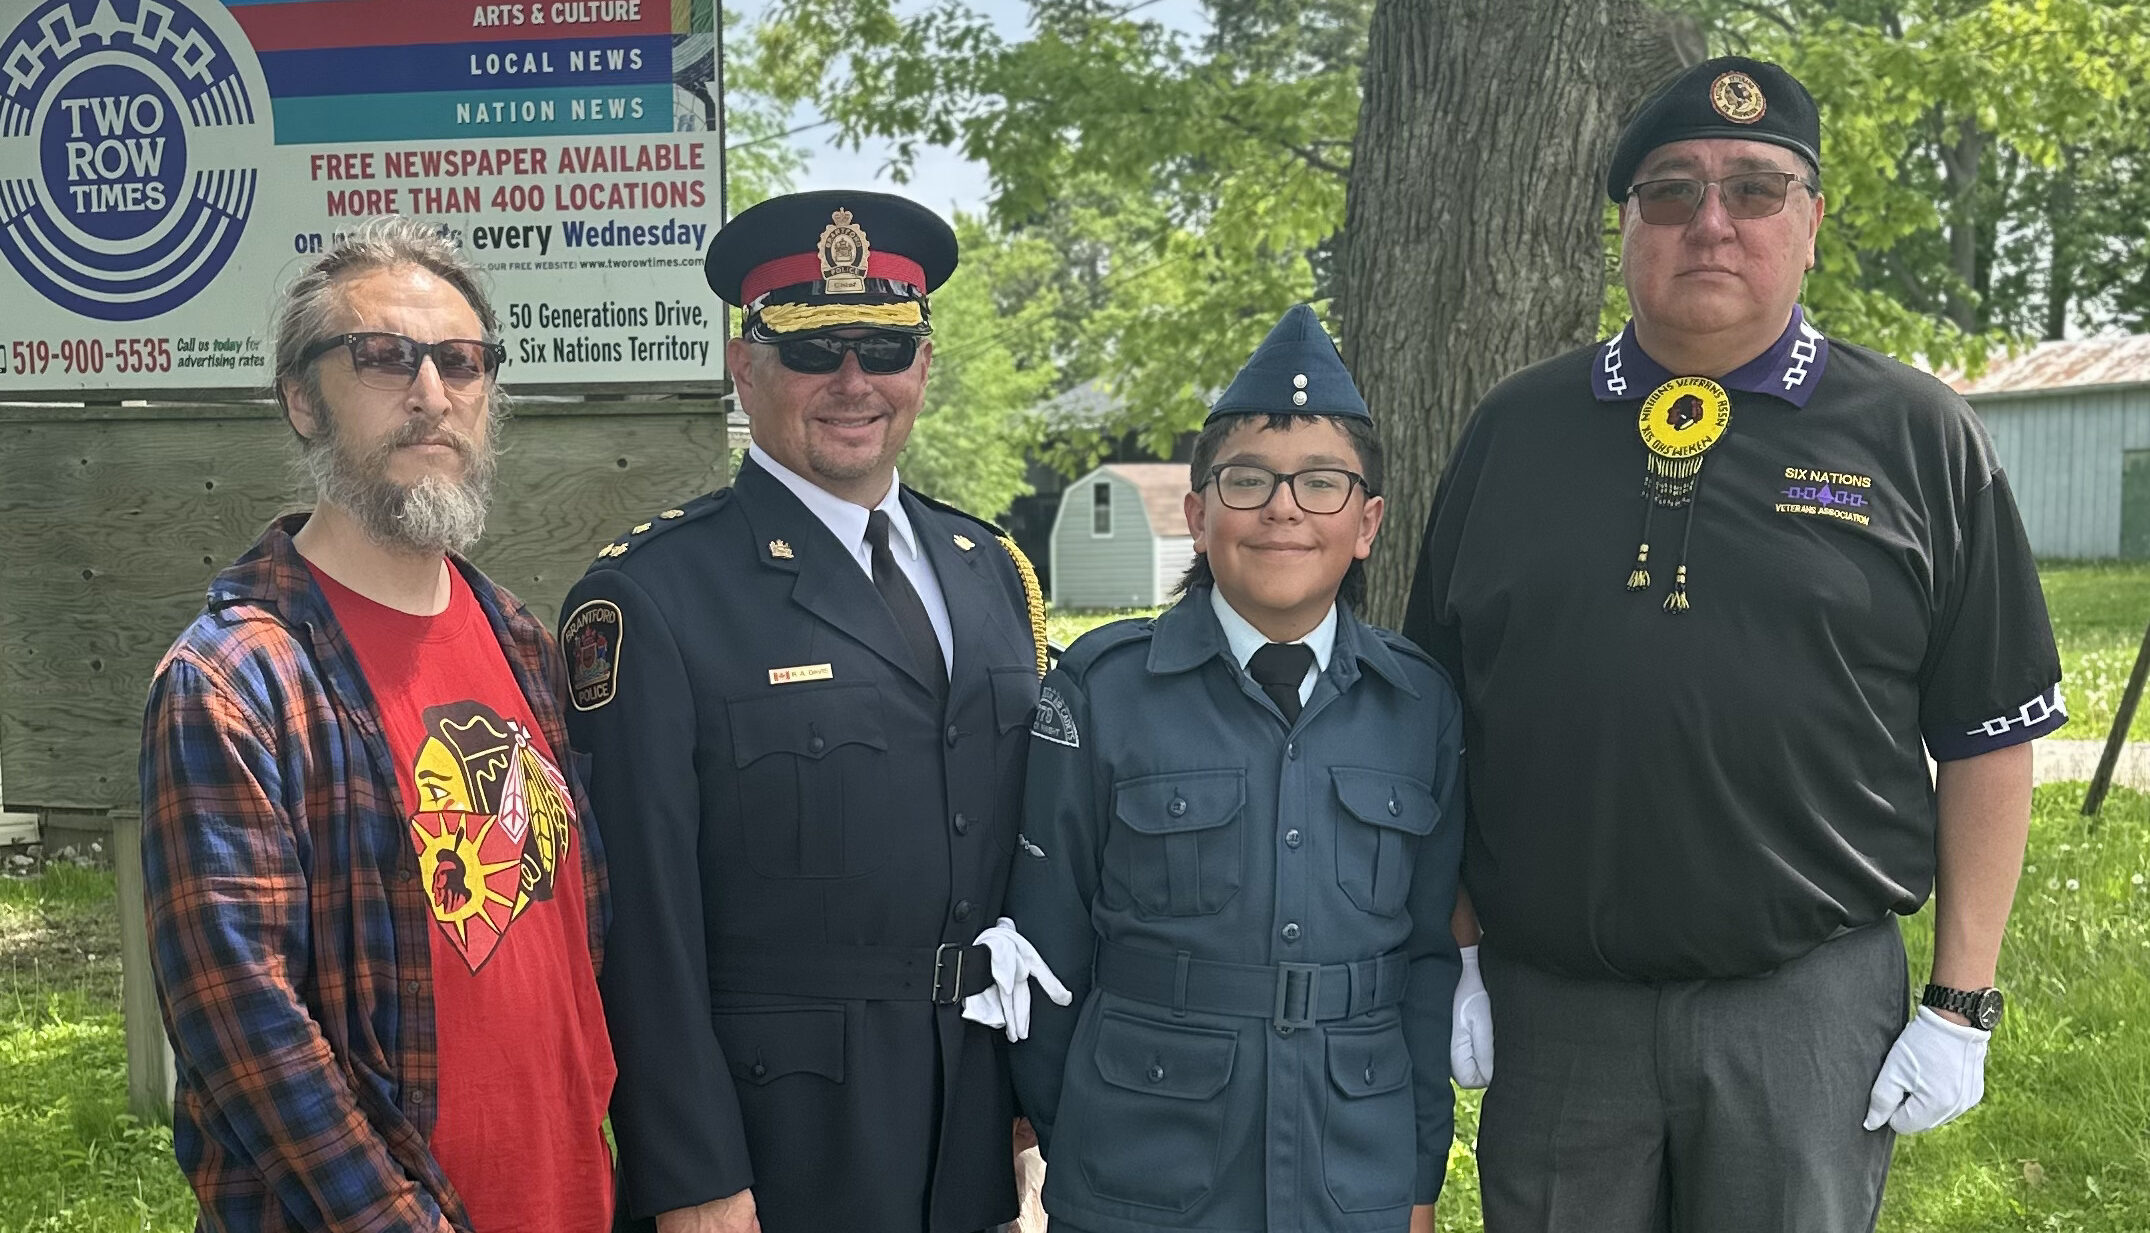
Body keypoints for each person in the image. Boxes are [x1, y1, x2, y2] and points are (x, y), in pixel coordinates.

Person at [1405, 56, 2065, 1232]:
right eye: (1669, 191)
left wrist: (1959, 1001)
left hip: (1802, 1010)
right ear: (1624, 229)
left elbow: (1985, 734)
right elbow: (1434, 715)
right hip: (1557, 1008)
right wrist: (1453, 947)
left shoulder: (1918, 436)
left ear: (1808, 224)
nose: (1709, 221)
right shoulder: (1513, 430)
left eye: (1754, 189)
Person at [562, 189, 1058, 1233]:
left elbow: (1022, 858)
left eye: (881, 350)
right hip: (777, 1138)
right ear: (743, 367)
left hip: (969, 1116)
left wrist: (1032, 1101)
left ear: (922, 365)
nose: (851, 383)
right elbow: (638, 923)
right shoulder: (653, 595)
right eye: (811, 350)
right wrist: (690, 1174)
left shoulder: (991, 572)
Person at [140, 215, 616, 1232]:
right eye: (382, 359)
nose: (431, 394)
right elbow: (245, 1031)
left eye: (460, 363)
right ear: (303, 400)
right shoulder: (232, 681)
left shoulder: (523, 642)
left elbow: (576, 942)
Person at [1010, 304, 1465, 1233]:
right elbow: (1046, 959)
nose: (1284, 508)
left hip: (1357, 1167)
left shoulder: (1418, 705)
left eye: (1322, 484)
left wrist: (1419, 1177)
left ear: (1368, 522)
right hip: (1143, 1162)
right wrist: (1077, 1142)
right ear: (1197, 512)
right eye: (1248, 480)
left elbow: (1424, 963)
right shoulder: (1103, 693)